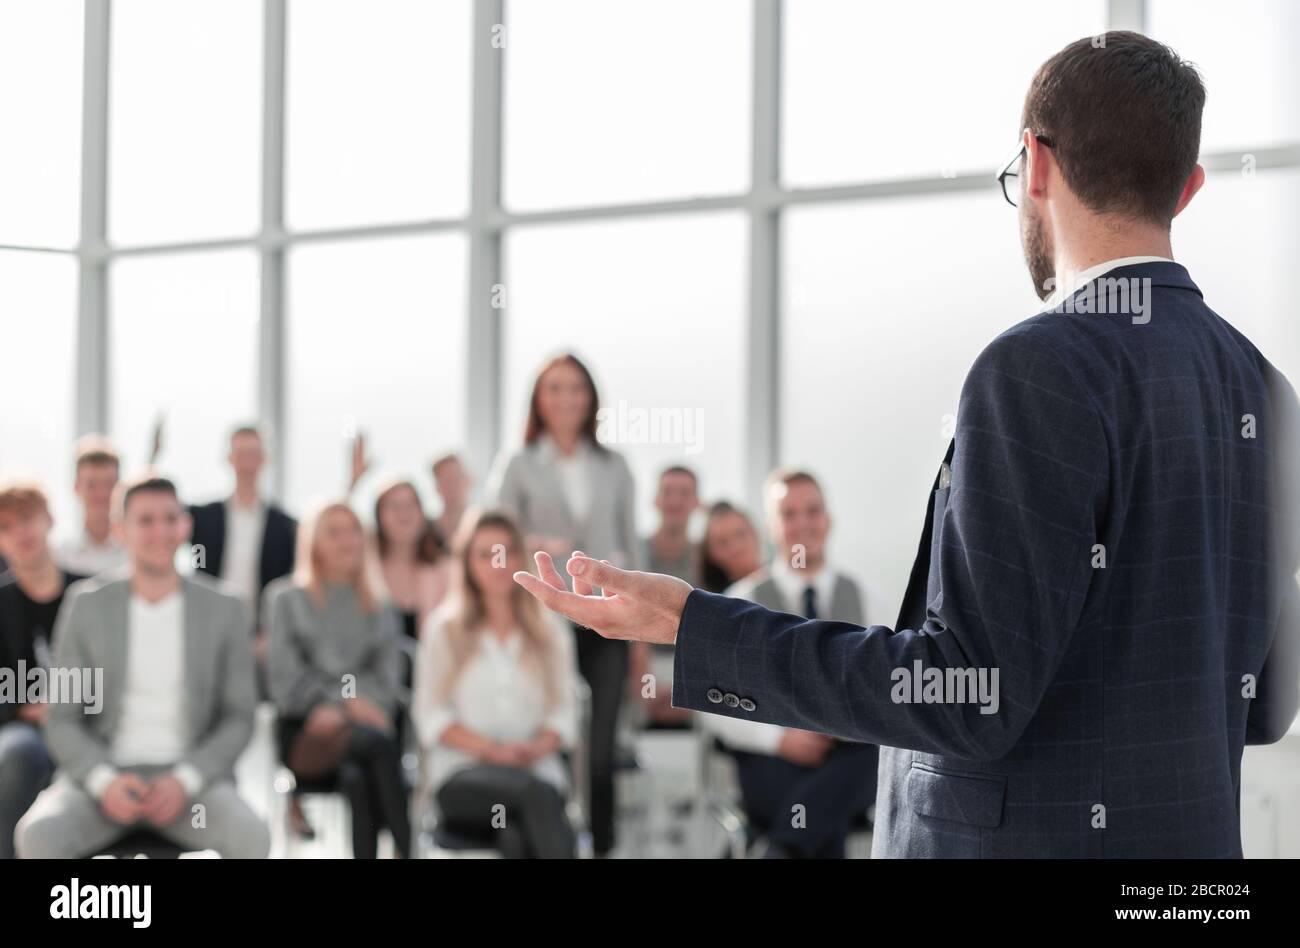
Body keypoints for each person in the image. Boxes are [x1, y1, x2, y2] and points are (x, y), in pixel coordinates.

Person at [513, 32, 1300, 858]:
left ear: (1036, 163)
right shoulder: (1266, 392)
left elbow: (968, 693)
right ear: (1189, 187)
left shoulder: (1038, 368)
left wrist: (691, 619)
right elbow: (1267, 699)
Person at [16, 477, 269, 859]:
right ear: (121, 530)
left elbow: (239, 716)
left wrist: (186, 779)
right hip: (102, 786)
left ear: (185, 526)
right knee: (38, 834)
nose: (160, 532)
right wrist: (104, 781)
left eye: (170, 519)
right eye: (145, 520)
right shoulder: (86, 605)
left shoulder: (226, 608)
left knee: (251, 835)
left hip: (192, 790)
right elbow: (61, 718)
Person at [488, 352, 637, 857]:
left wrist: (639, 636)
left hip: (608, 619)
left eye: (576, 388)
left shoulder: (614, 467)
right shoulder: (518, 463)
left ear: (590, 398)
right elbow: (492, 541)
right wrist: (535, 541)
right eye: (554, 388)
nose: (566, 398)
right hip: (543, 620)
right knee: (549, 736)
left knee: (601, 748)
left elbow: (630, 551)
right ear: (538, 399)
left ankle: (603, 845)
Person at [707, 470, 877, 857]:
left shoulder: (869, 598)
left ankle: (781, 849)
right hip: (772, 759)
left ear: (828, 519)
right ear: (770, 526)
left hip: (848, 758)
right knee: (825, 820)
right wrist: (778, 739)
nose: (803, 523)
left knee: (869, 759)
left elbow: (886, 685)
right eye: (789, 513)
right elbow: (711, 700)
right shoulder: (740, 601)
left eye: (812, 511)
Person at [414, 510, 578, 858]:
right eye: (485, 554)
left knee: (515, 837)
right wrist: (491, 750)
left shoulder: (550, 631)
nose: (498, 563)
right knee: (535, 797)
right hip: (463, 772)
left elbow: (566, 712)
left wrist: (534, 749)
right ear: (467, 563)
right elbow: (430, 716)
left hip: (536, 766)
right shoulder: (443, 630)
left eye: (507, 551)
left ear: (522, 556)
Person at [265, 501, 410, 859]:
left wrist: (349, 708)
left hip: (366, 734)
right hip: (307, 734)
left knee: (357, 777)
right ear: (313, 541)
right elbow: (285, 681)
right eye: (334, 532)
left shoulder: (380, 606)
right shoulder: (285, 600)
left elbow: (389, 681)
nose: (347, 541)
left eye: (354, 531)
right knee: (378, 746)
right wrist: (344, 703)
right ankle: (410, 853)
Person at [0, 484, 84, 859]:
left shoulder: (89, 594)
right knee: (19, 757)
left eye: (27, 519)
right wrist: (31, 708)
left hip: (90, 725)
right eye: (7, 526)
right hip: (24, 729)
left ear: (49, 519)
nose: (21, 532)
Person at [189, 425, 297, 627]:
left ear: (265, 459)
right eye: (241, 453)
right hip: (207, 623)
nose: (247, 462)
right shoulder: (202, 519)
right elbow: (162, 524)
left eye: (253, 454)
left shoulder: (284, 526)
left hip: (261, 630)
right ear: (229, 458)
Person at [630, 466, 702, 727]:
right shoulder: (635, 553)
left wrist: (690, 691)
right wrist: (644, 686)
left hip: (691, 666)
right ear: (655, 499)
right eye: (667, 492)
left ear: (697, 503)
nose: (674, 501)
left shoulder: (705, 558)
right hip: (640, 664)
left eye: (684, 493)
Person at [369, 479, 449, 644]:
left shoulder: (445, 570)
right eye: (394, 506)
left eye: (411, 505)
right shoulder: (367, 570)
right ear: (379, 516)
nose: (404, 513)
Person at [55, 436, 126, 576]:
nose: (102, 493)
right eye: (91, 484)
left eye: (109, 484)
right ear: (76, 487)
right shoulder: (59, 556)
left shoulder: (138, 552)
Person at [698, 501, 763, 594]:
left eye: (740, 534)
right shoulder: (720, 603)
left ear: (754, 533)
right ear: (711, 554)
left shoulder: (784, 576)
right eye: (723, 543)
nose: (736, 548)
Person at [431, 453, 472, 553]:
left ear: (469, 481)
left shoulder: (484, 528)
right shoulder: (426, 532)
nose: (452, 486)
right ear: (437, 487)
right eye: (445, 480)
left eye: (456, 477)